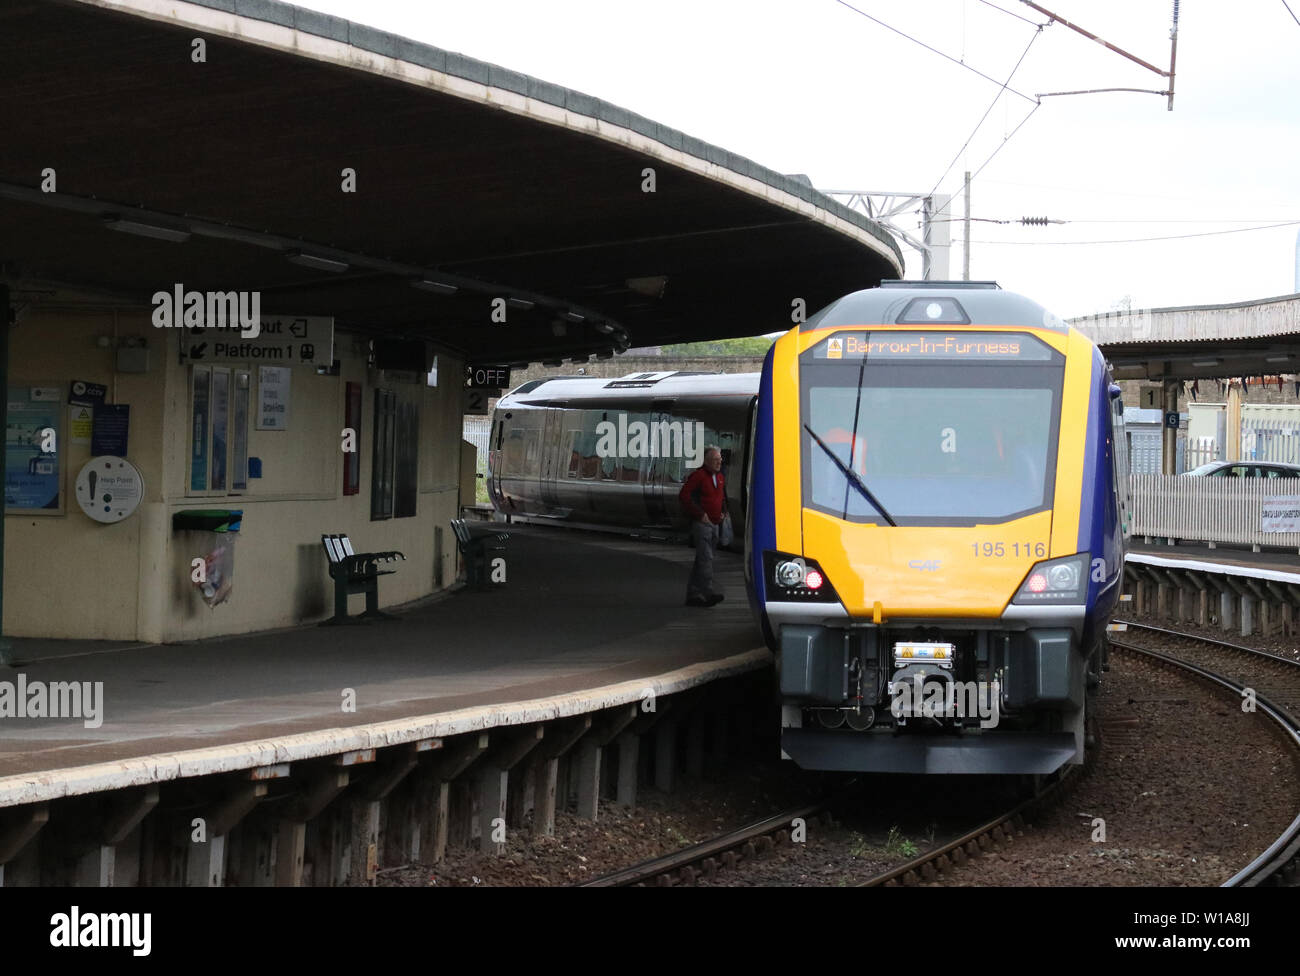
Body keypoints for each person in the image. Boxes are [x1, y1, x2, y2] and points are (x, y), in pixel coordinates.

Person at [679, 445, 727, 607]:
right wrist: (700, 514)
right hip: (702, 524)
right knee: (706, 559)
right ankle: (708, 592)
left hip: (715, 524)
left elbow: (722, 497)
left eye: (720, 460)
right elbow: (684, 495)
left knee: (701, 560)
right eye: (715, 460)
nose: (719, 463)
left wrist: (723, 512)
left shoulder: (720, 477)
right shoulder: (699, 476)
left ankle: (692, 594)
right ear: (706, 461)